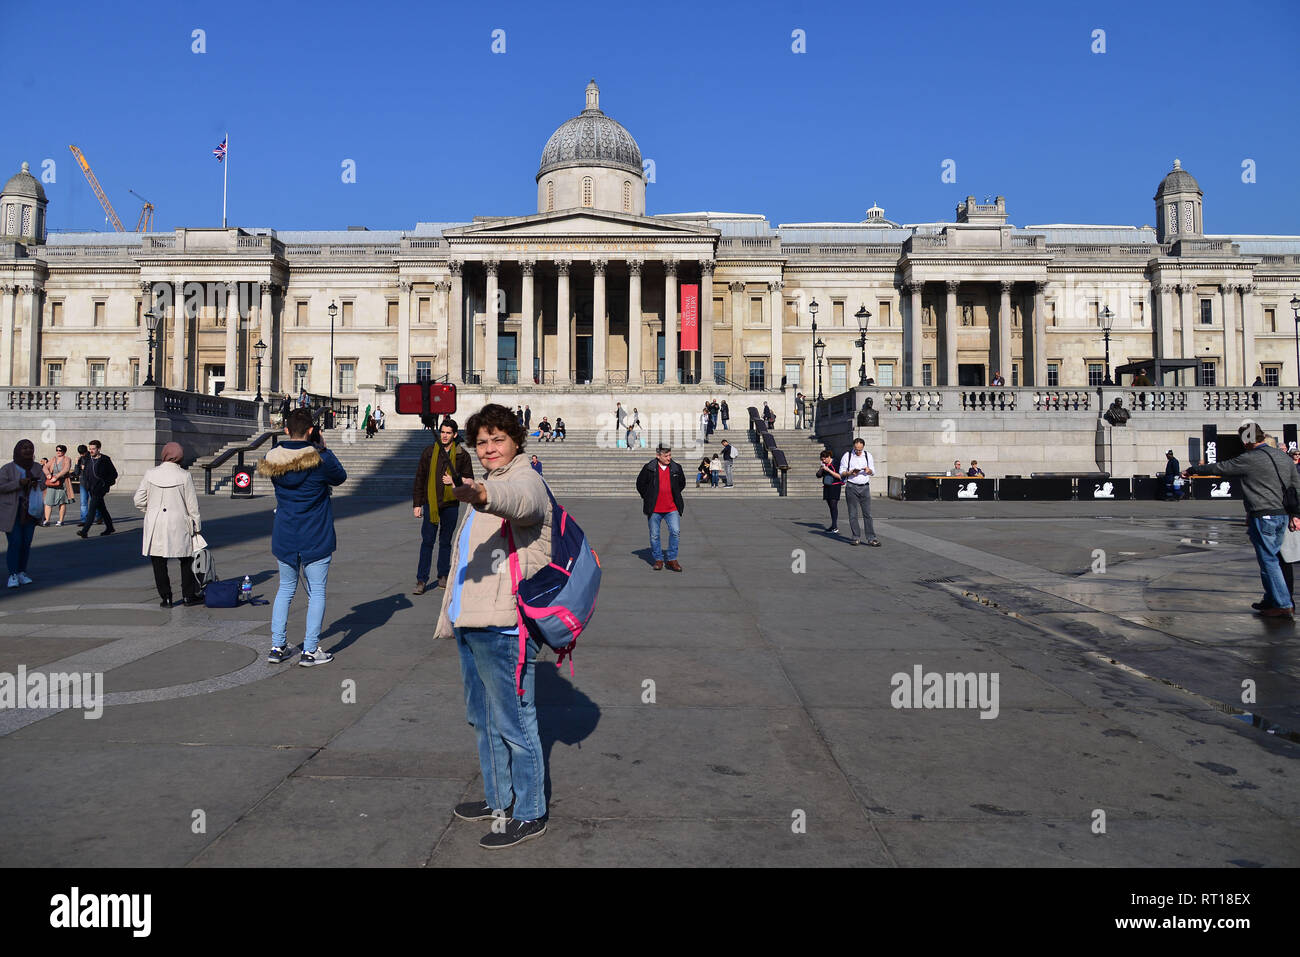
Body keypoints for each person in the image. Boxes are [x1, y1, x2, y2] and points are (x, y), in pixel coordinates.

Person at [433, 402, 553, 849]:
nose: (488, 448)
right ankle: (498, 798)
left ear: (516, 440)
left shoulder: (524, 478)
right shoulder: (491, 480)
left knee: (515, 721)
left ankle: (530, 811)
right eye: (481, 442)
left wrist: (481, 495)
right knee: (482, 719)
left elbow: (521, 504)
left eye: (497, 439)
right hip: (472, 621)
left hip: (505, 625)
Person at [256, 407, 348, 665]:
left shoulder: (272, 458)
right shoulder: (319, 459)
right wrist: (324, 448)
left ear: (286, 430)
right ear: (311, 431)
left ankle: (277, 646)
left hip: (285, 531)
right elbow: (340, 477)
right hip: (315, 532)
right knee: (316, 591)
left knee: (285, 589)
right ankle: (310, 650)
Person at [1183, 421, 1300, 617]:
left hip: (1263, 515)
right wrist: (1296, 514)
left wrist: (1194, 470)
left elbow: (1220, 468)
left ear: (1246, 440)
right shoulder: (1284, 458)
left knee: (1269, 561)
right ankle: (1272, 599)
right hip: (1282, 515)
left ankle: (1282, 604)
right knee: (1275, 560)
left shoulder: (1249, 458)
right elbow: (1297, 487)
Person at [134, 442, 203, 608]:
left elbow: (138, 500)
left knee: (158, 561)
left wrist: (149, 510)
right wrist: (197, 525)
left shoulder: (151, 473)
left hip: (156, 521)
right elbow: (192, 504)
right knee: (186, 558)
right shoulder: (184, 475)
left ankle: (166, 598)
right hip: (179, 520)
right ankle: (188, 595)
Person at [412, 417, 474, 595]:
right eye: (442, 432)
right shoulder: (429, 452)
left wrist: (453, 480)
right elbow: (420, 479)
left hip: (451, 504)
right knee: (427, 542)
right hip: (431, 503)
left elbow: (469, 479)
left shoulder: (462, 455)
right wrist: (417, 504)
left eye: (448, 433)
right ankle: (421, 579)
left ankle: (443, 575)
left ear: (455, 435)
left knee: (446, 542)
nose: (444, 436)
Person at [636, 444, 686, 572]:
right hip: (654, 509)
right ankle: (658, 559)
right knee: (654, 535)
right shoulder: (649, 468)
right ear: (658, 456)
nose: (669, 458)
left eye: (670, 455)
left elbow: (682, 484)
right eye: (666, 456)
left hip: (672, 508)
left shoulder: (676, 468)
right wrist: (648, 497)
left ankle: (671, 559)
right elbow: (640, 484)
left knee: (675, 532)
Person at [1, 440, 43, 588]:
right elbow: (1, 487)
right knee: (15, 542)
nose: (27, 450)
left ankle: (21, 572)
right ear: (18, 450)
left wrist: (36, 483)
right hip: (13, 511)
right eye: (24, 448)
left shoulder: (37, 467)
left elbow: (43, 482)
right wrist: (19, 483)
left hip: (30, 510)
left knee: (26, 543)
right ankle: (12, 574)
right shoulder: (7, 468)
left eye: (30, 448)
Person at [839, 437, 880, 547]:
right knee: (853, 513)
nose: (858, 451)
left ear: (863, 447)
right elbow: (841, 472)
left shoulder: (868, 455)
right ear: (853, 447)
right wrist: (849, 473)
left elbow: (873, 471)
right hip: (851, 486)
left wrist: (869, 471)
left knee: (867, 514)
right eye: (856, 449)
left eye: (860, 449)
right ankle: (856, 537)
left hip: (865, 487)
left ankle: (871, 538)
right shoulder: (847, 456)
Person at [76, 440, 117, 538]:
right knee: (102, 508)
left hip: (100, 489)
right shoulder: (87, 459)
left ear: (98, 449)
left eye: (93, 449)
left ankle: (84, 531)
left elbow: (114, 474)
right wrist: (86, 484)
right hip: (91, 488)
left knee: (92, 509)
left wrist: (105, 484)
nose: (91, 451)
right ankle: (110, 527)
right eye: (90, 449)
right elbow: (82, 473)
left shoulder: (105, 459)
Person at [43, 445, 73, 526]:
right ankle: (47, 520)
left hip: (62, 482)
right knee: (48, 501)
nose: (58, 452)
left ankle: (60, 520)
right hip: (52, 482)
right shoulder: (53, 459)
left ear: (64, 451)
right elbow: (45, 467)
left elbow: (66, 469)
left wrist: (57, 476)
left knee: (62, 502)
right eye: (57, 450)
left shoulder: (67, 459)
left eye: (60, 450)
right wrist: (48, 474)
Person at [817, 449, 842, 533]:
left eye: (824, 459)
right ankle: (833, 525)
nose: (823, 461)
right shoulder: (824, 465)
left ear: (829, 457)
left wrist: (828, 470)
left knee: (834, 505)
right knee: (831, 507)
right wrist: (821, 468)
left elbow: (839, 476)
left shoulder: (836, 463)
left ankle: (835, 526)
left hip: (835, 487)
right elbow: (818, 475)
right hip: (827, 486)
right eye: (822, 459)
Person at [74, 444, 91, 524]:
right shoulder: (80, 459)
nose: (82, 455)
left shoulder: (91, 457)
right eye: (80, 453)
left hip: (91, 482)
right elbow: (76, 473)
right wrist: (77, 463)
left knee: (94, 501)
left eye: (83, 453)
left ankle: (98, 517)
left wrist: (86, 467)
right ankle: (84, 519)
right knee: (83, 502)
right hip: (83, 483)